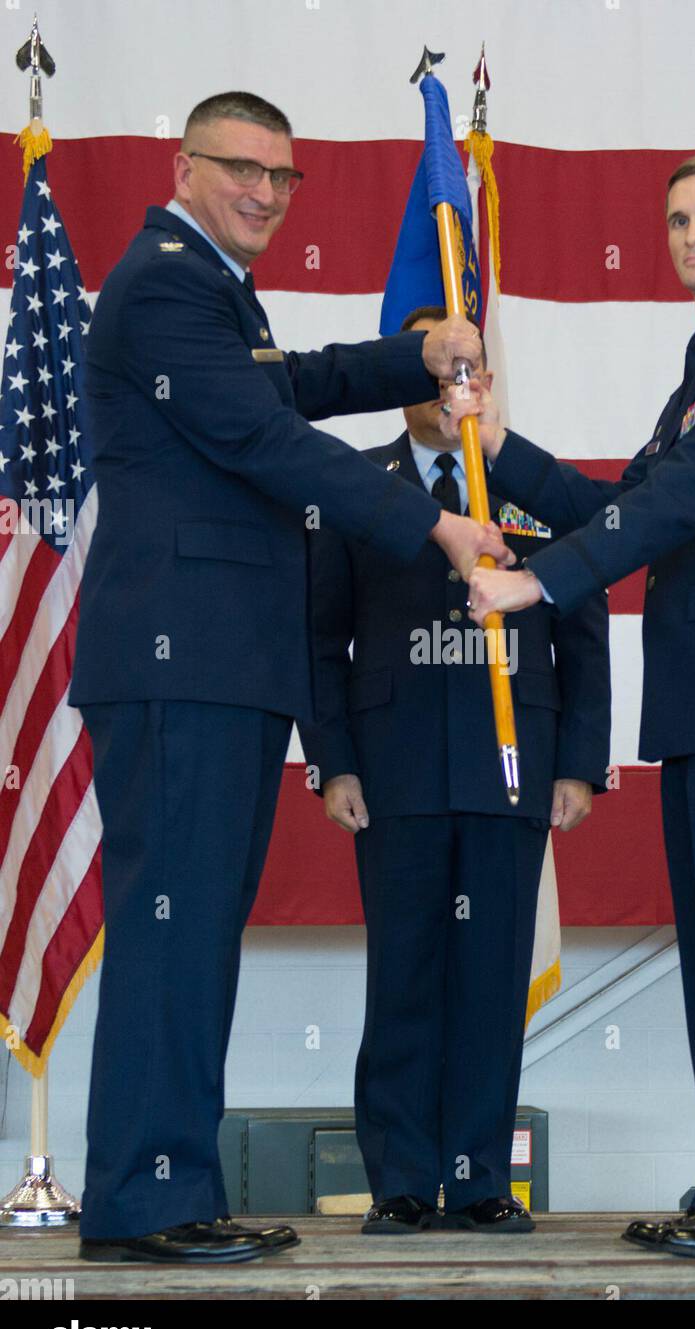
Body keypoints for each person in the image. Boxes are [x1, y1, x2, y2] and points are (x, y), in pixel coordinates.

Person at [70, 91, 511, 1265]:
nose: (264, 192)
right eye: (241, 168)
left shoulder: (209, 284)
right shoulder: (166, 280)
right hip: (182, 660)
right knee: (175, 930)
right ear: (184, 163)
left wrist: (409, 355)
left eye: (283, 174)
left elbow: (290, 382)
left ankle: (166, 1188)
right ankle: (148, 1199)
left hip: (214, 664)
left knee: (196, 929)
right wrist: (435, 530)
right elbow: (266, 439)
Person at [449, 153, 695, 1258]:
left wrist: (538, 581)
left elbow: (676, 502)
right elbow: (621, 504)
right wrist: (497, 451)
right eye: (675, 218)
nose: (688, 234)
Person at [300, 306, 611, 1234]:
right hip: (391, 773)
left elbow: (583, 625)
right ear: (410, 376)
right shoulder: (356, 486)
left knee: (488, 979)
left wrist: (581, 765)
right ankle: (398, 1178)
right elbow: (319, 641)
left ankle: (478, 1180)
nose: (450, 389)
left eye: (466, 368)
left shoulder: (526, 480)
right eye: (436, 369)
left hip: (515, 767)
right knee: (403, 976)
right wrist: (334, 765)